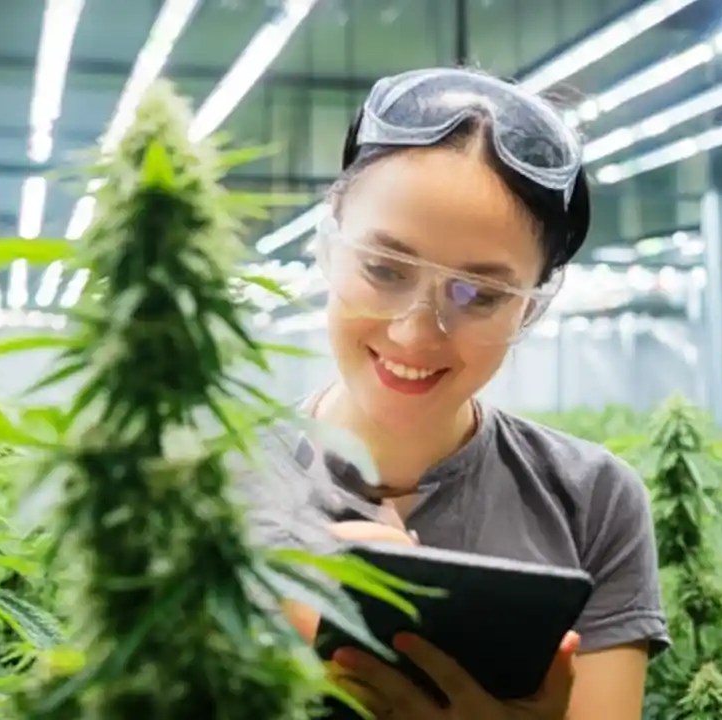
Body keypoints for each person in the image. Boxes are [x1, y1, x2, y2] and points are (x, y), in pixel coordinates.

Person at [276, 66, 670, 720]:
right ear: (330, 246)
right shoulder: (214, 486)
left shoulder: (590, 501)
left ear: (533, 307)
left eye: (481, 295)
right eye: (383, 268)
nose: (414, 332)